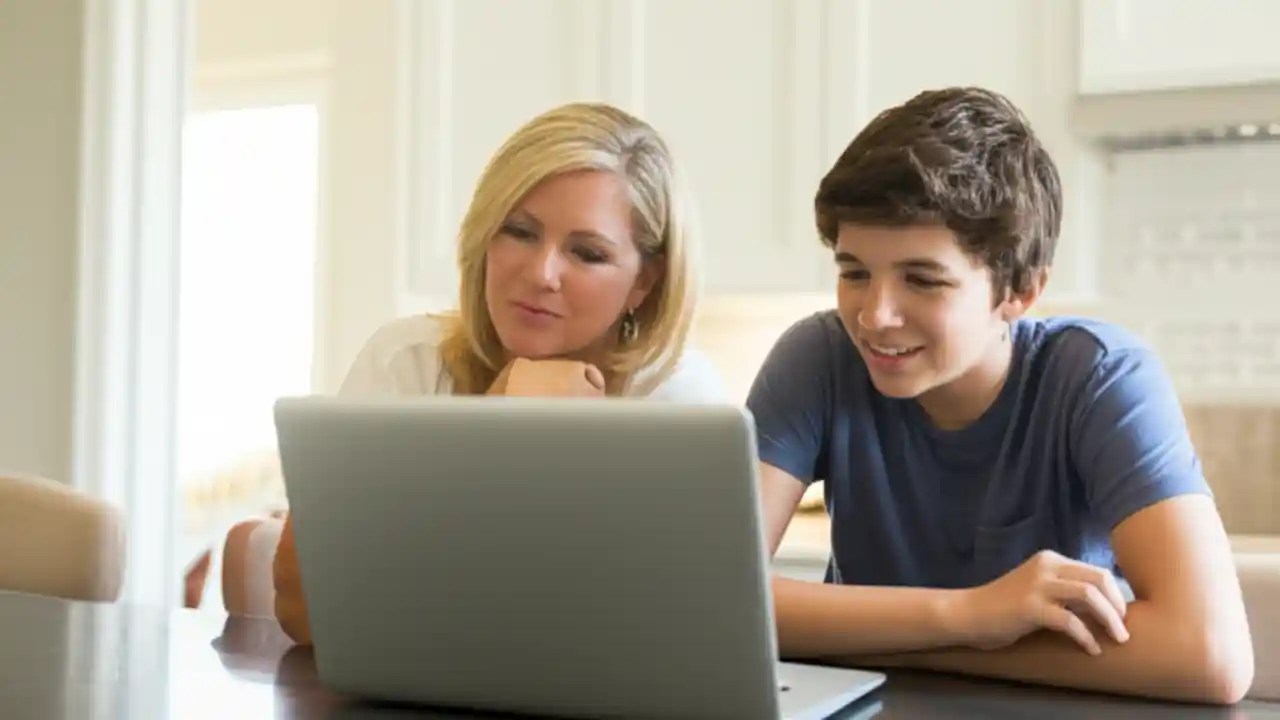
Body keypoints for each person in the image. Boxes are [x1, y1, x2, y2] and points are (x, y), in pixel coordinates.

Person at [750, 87, 1254, 703]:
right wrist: (971, 616)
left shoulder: (1100, 378)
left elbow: (1209, 652)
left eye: (923, 279)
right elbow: (714, 598)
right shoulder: (819, 359)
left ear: (1020, 290)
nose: (874, 316)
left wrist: (856, 632)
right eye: (854, 272)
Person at [272, 102, 728, 644]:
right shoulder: (408, 360)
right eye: (519, 231)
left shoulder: (680, 403)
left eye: (587, 252)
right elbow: (302, 609)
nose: (541, 273)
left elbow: (661, 632)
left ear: (642, 283)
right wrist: (496, 419)